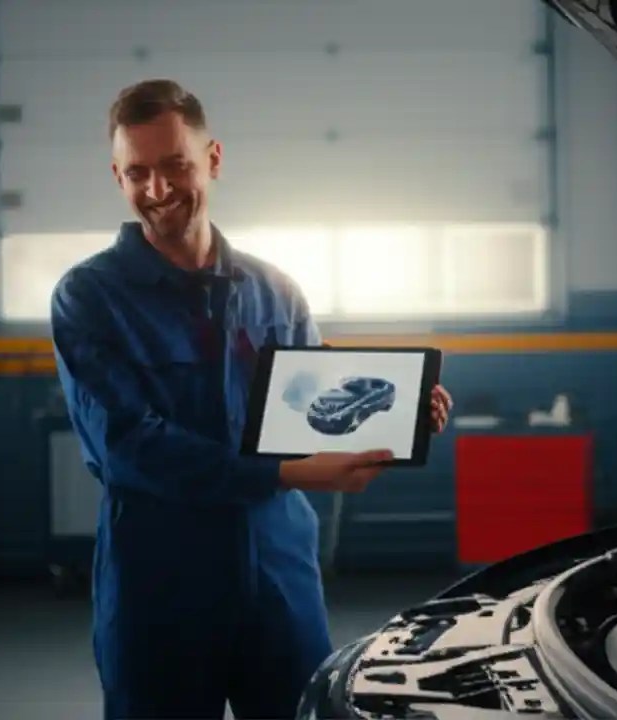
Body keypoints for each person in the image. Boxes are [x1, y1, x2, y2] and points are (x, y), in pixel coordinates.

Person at [50, 78, 454, 720]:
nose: (157, 191)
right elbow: (129, 448)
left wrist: (403, 414)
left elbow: (320, 413)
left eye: (176, 166)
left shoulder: (276, 291)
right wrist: (292, 472)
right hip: (160, 583)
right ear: (117, 176)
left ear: (212, 159)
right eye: (138, 173)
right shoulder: (89, 297)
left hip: (278, 576)